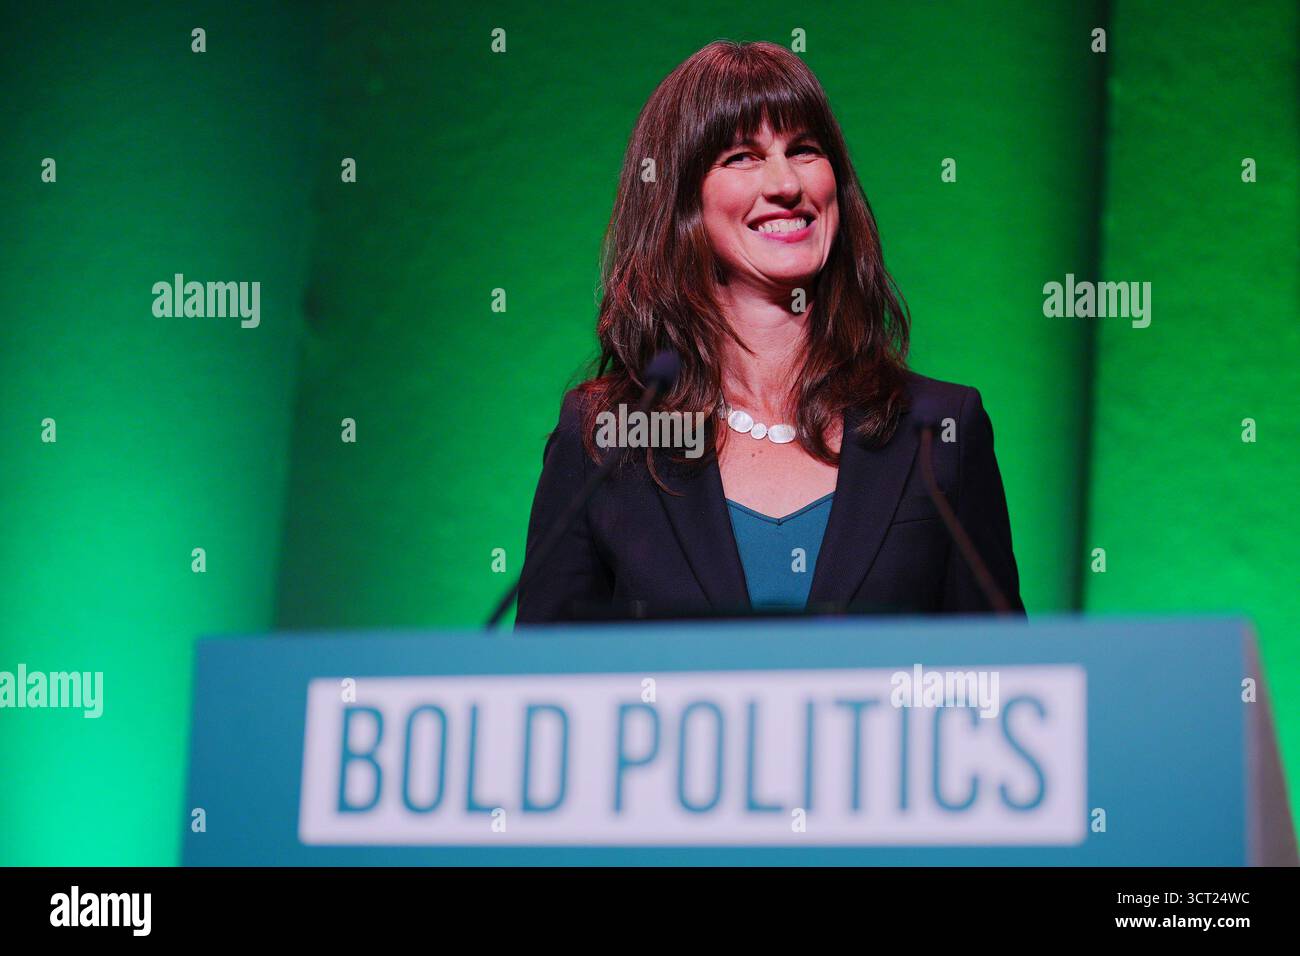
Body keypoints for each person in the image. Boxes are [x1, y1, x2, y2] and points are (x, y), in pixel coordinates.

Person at [515, 40, 1024, 624]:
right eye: (742, 157)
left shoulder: (942, 429)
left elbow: (1002, 686)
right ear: (681, 200)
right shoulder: (604, 439)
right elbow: (544, 692)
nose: (786, 184)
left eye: (804, 150)